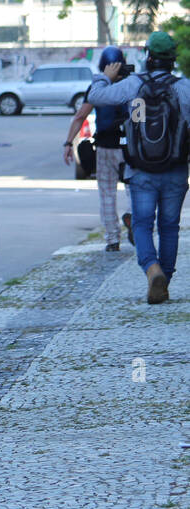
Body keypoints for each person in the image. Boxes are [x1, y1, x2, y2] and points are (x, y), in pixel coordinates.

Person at [87, 31, 190, 304]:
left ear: (148, 56)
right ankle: (164, 280)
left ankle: (151, 269)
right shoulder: (184, 88)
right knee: (169, 226)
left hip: (140, 169)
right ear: (173, 59)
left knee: (143, 224)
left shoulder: (133, 84)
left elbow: (96, 96)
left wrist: (105, 76)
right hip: (176, 169)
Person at [65, 45, 133, 252]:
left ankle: (112, 239)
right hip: (129, 146)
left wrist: (68, 143)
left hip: (105, 146)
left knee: (107, 195)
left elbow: (80, 116)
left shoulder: (97, 89)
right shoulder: (134, 85)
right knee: (136, 190)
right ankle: (134, 217)